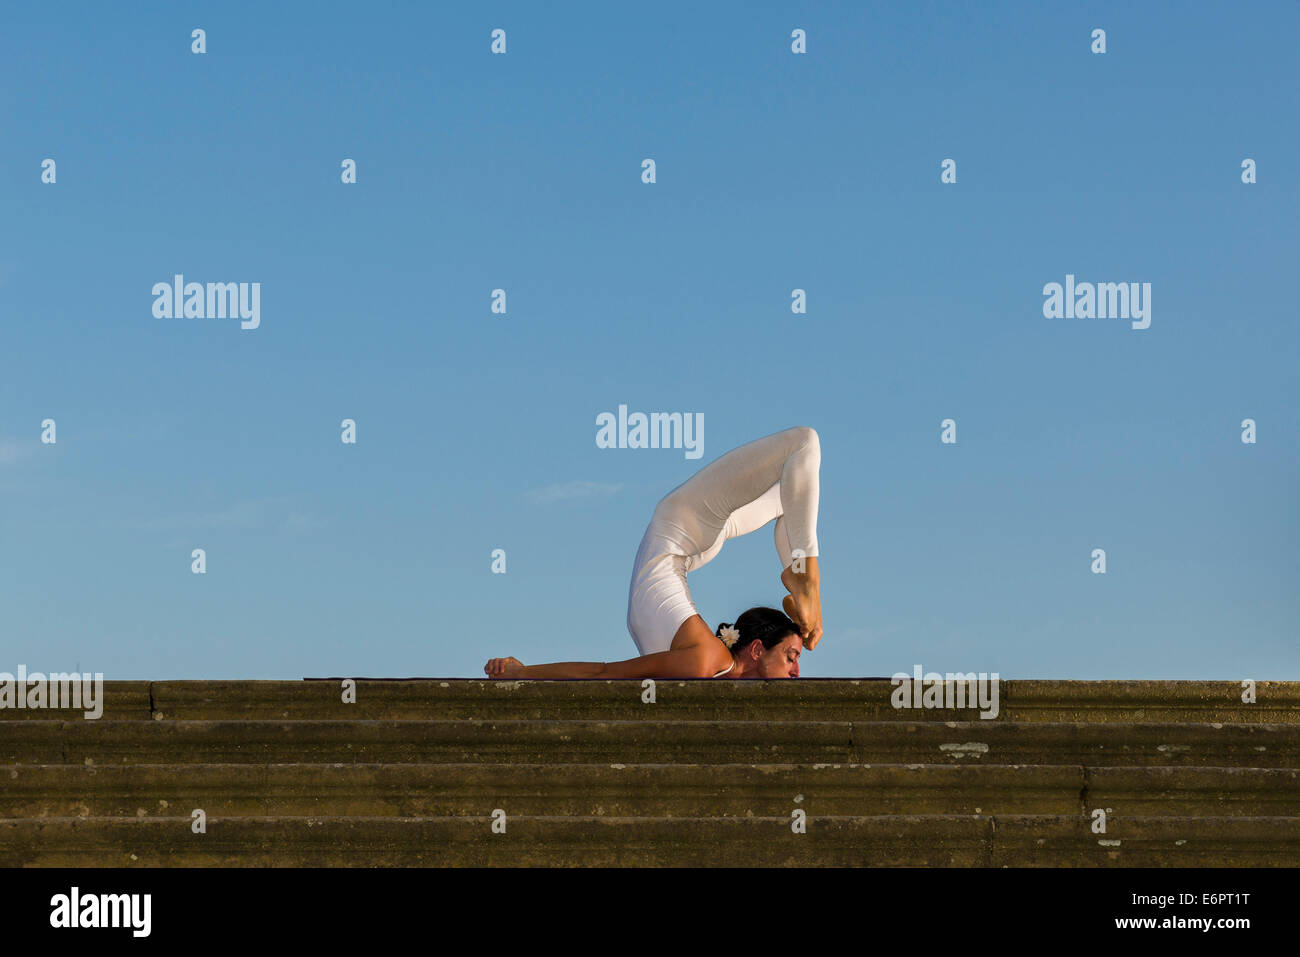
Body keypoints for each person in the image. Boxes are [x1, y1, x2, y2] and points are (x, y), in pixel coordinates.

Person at [484, 426, 823, 679]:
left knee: (800, 468)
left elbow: (605, 673)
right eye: (792, 656)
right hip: (686, 526)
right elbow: (604, 673)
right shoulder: (708, 662)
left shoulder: (708, 665)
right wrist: (523, 672)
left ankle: (801, 576)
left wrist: (525, 672)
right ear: (757, 648)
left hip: (682, 537)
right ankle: (805, 580)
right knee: (801, 456)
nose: (796, 672)